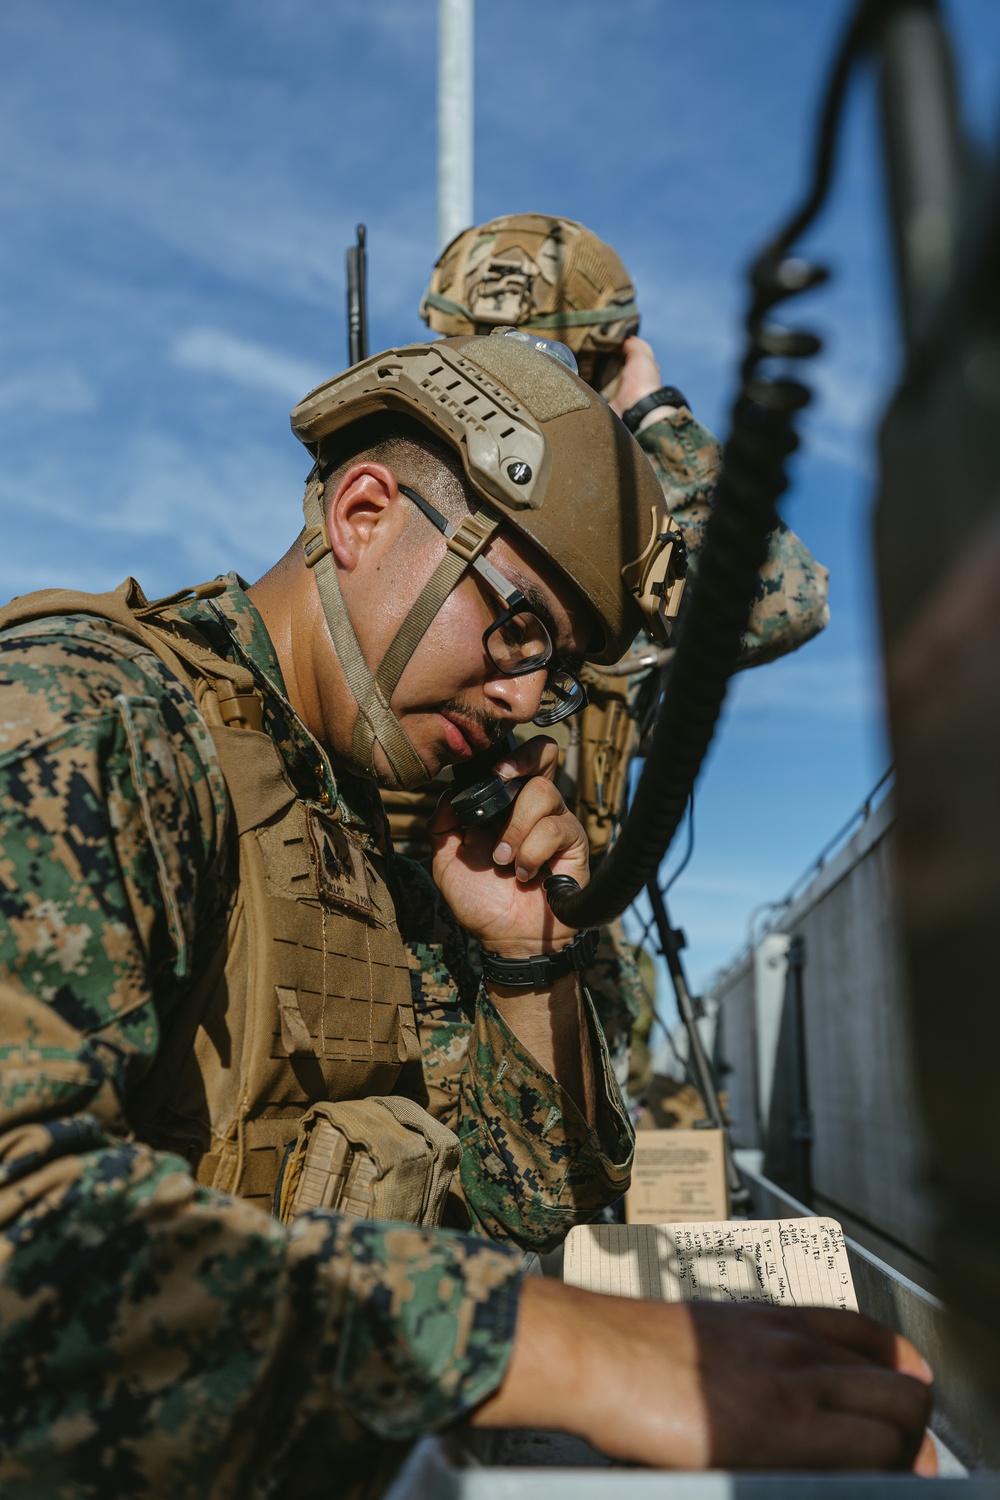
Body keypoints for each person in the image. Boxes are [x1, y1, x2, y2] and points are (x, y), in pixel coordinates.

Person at [0, 332, 931, 1494]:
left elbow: (540, 1205)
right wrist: (547, 1346)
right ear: (364, 514)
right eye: (519, 625)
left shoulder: (376, 810)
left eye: (560, 660)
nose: (528, 696)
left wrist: (526, 964)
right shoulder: (89, 722)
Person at [384, 213, 833, 1108]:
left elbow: (780, 596)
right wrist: (651, 411)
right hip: (406, 951)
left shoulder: (607, 563)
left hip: (559, 947)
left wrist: (652, 424)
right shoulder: (403, 502)